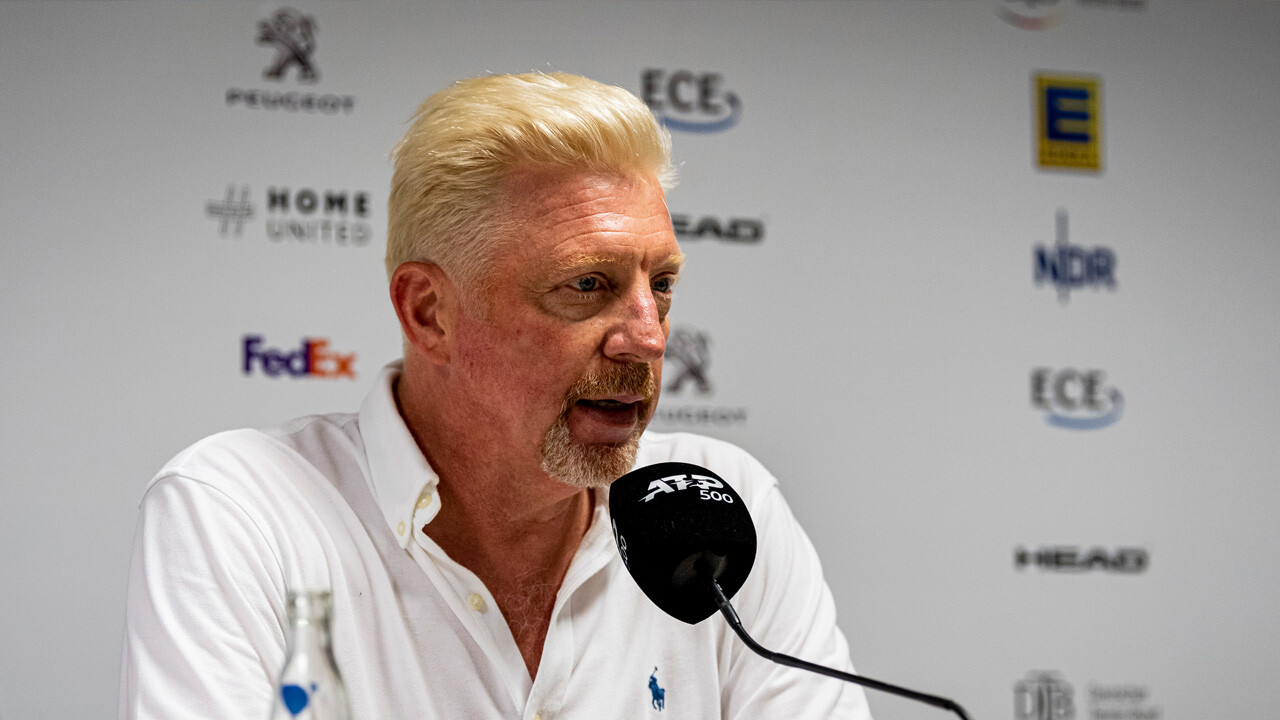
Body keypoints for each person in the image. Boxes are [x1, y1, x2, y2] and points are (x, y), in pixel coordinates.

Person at [120, 72, 872, 719]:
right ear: (429, 313)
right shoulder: (243, 513)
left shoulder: (724, 507)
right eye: (589, 284)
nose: (648, 338)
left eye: (663, 284)